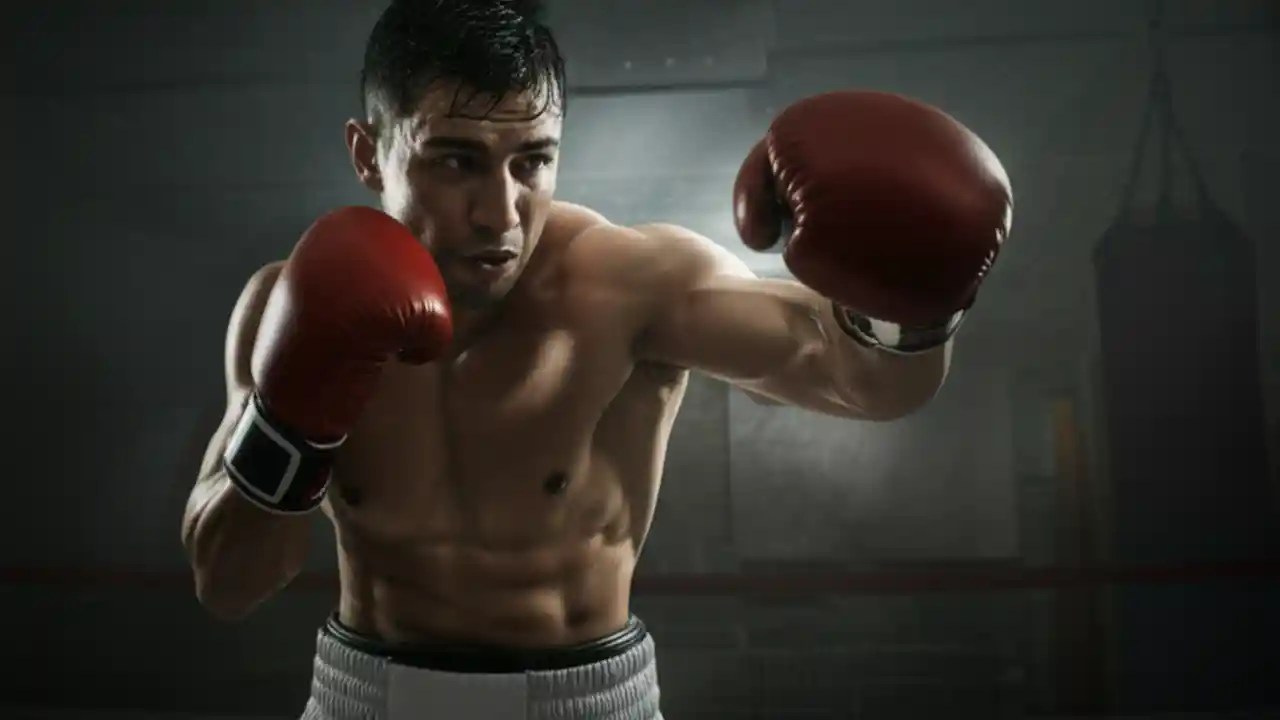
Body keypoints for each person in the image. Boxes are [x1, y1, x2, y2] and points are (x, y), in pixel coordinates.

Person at [180, 1, 1012, 718]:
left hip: (582, 699)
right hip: (365, 697)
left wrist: (915, 305)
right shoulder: (284, 304)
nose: (500, 211)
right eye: (457, 160)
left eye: (533, 159)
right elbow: (229, 583)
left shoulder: (630, 284)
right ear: (370, 153)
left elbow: (861, 383)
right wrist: (292, 416)